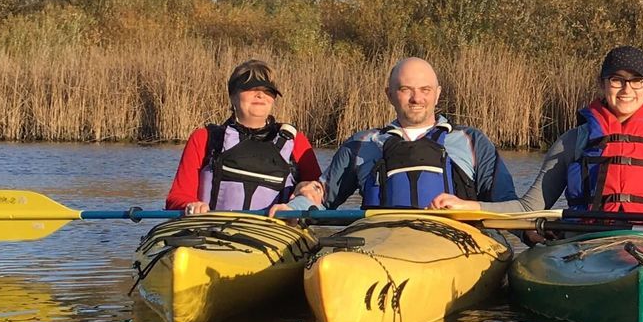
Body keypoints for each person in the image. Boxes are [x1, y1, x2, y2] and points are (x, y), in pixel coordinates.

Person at [432, 45, 643, 217]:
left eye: (637, 81)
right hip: (589, 245)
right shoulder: (572, 143)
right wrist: (470, 205)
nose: (627, 90)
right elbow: (530, 208)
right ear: (602, 84)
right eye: (617, 80)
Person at [322, 56, 515, 208]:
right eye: (406, 89)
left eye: (425, 90)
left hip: (455, 243)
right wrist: (299, 202)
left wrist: (531, 235)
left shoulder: (472, 141)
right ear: (389, 95)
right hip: (384, 241)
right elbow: (320, 196)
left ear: (438, 94)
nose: (417, 98)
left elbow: (506, 203)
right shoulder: (361, 144)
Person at [164, 59, 325, 215]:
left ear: (274, 99)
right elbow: (176, 197)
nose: (260, 95)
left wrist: (301, 200)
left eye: (268, 90)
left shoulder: (296, 142)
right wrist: (190, 206)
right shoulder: (204, 138)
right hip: (209, 232)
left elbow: (319, 197)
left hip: (275, 234)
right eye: (251, 88)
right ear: (233, 96)